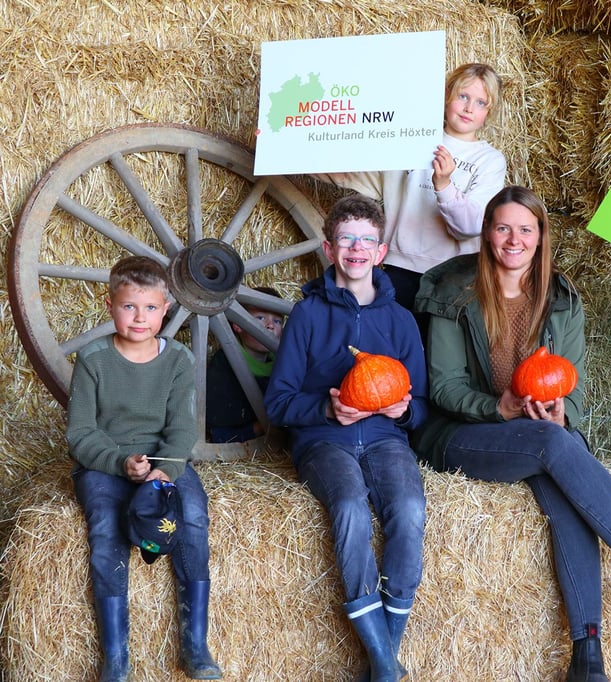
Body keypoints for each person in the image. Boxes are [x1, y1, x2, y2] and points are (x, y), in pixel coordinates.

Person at [413, 186, 611, 682]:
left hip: (542, 434)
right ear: (487, 233)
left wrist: (563, 413)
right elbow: (443, 386)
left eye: (526, 229)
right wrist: (497, 407)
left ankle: (588, 656)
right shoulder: (452, 292)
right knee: (550, 446)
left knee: (563, 481)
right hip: (464, 433)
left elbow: (575, 384)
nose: (514, 239)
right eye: (503, 227)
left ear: (541, 236)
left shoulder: (561, 300)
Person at [264, 194, 428, 682]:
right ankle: (383, 662)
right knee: (351, 508)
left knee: (409, 510)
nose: (356, 248)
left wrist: (404, 409)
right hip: (324, 442)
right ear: (329, 248)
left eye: (367, 240)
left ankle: (383, 657)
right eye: (346, 239)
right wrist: (326, 408)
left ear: (381, 252)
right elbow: (278, 404)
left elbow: (420, 408)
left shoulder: (399, 321)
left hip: (384, 440)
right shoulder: (308, 315)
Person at [66, 255, 221, 681]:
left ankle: (195, 645)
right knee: (105, 524)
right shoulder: (93, 359)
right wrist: (121, 463)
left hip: (164, 462)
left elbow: (182, 429)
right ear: (110, 304)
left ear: (166, 307)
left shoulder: (178, 361)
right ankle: (116, 658)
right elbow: (80, 432)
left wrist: (164, 471)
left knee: (191, 517)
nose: (140, 317)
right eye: (129, 306)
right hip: (104, 462)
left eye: (150, 307)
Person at [313, 62, 508, 334]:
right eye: (463, 97)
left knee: (438, 359)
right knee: (389, 355)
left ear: (489, 112)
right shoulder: (410, 138)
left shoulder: (490, 161)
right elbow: (348, 174)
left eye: (480, 102)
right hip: (399, 268)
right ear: (447, 96)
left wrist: (444, 185)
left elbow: (471, 226)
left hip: (453, 279)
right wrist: (281, 147)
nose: (468, 108)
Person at [205, 286, 284, 443]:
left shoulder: (282, 361)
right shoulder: (226, 360)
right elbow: (217, 414)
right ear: (238, 325)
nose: (270, 325)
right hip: (233, 430)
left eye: (277, 321)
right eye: (260, 318)